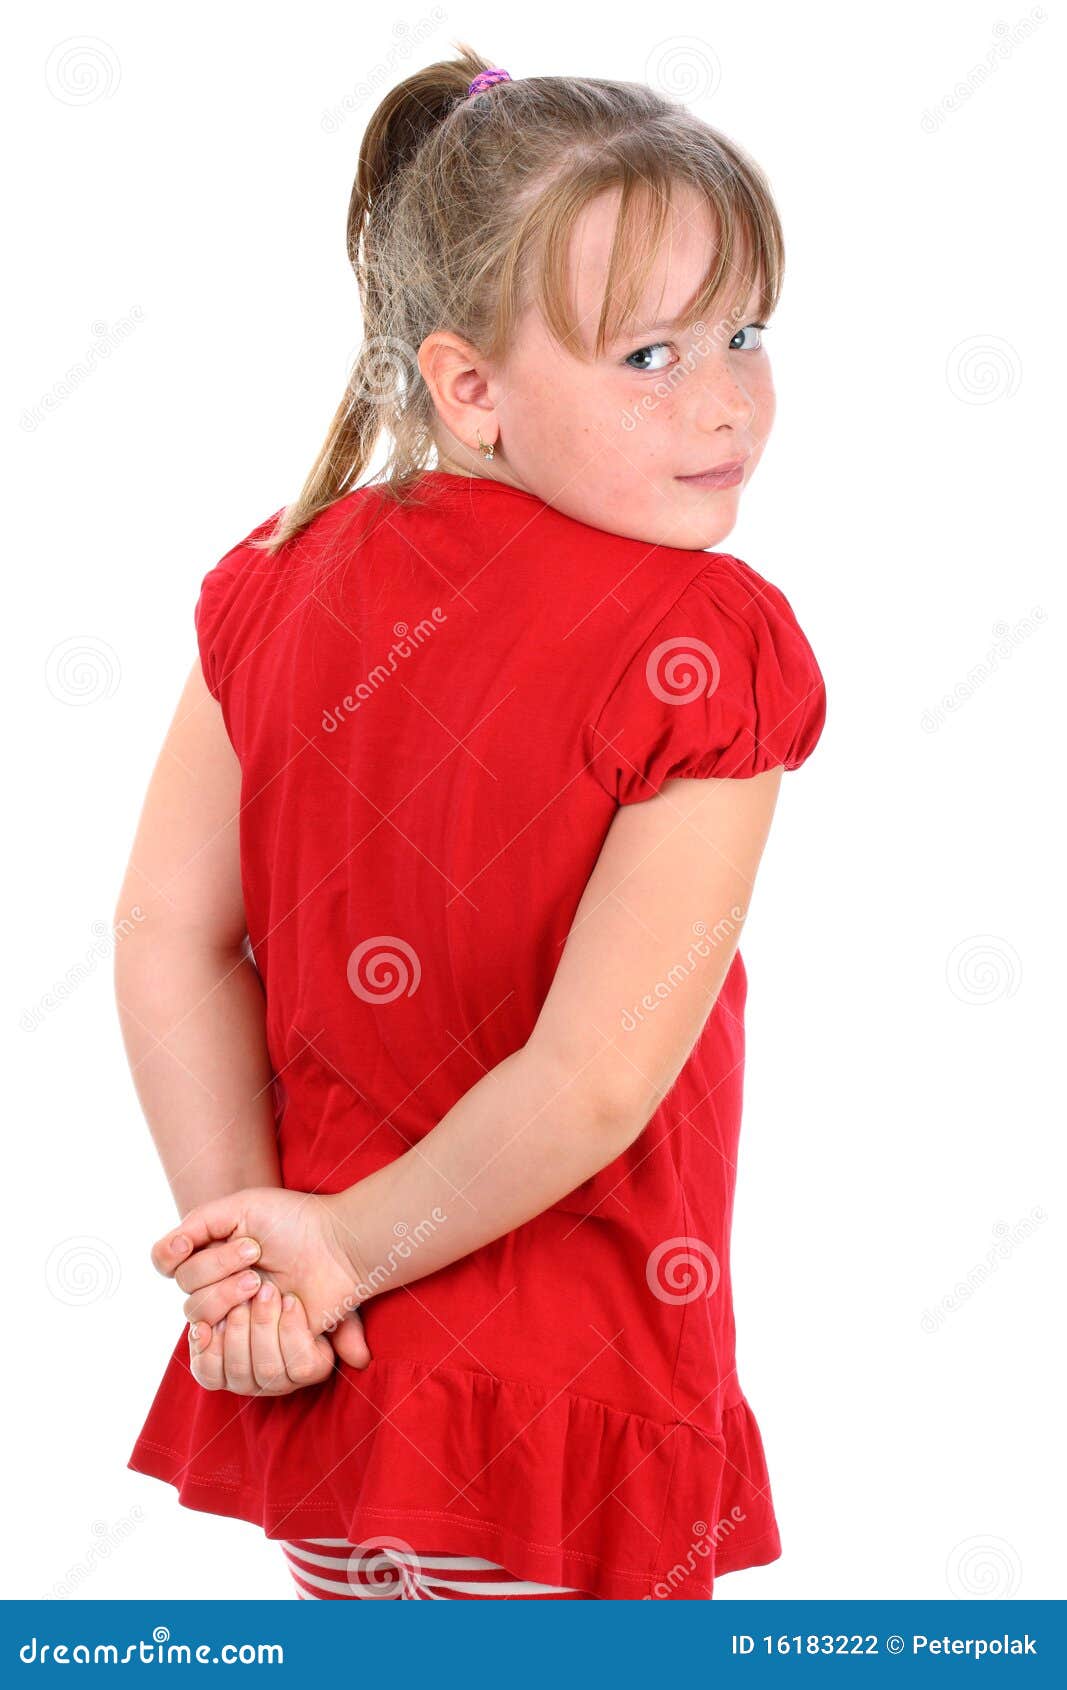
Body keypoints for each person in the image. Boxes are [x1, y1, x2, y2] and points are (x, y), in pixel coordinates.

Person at [115, 45, 828, 1602]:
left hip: (341, 1401)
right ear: (467, 385)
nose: (726, 400)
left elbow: (172, 933)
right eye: (652, 355)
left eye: (747, 332)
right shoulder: (708, 642)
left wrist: (263, 1261)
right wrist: (330, 1253)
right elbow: (592, 1079)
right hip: (563, 1426)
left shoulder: (281, 577)